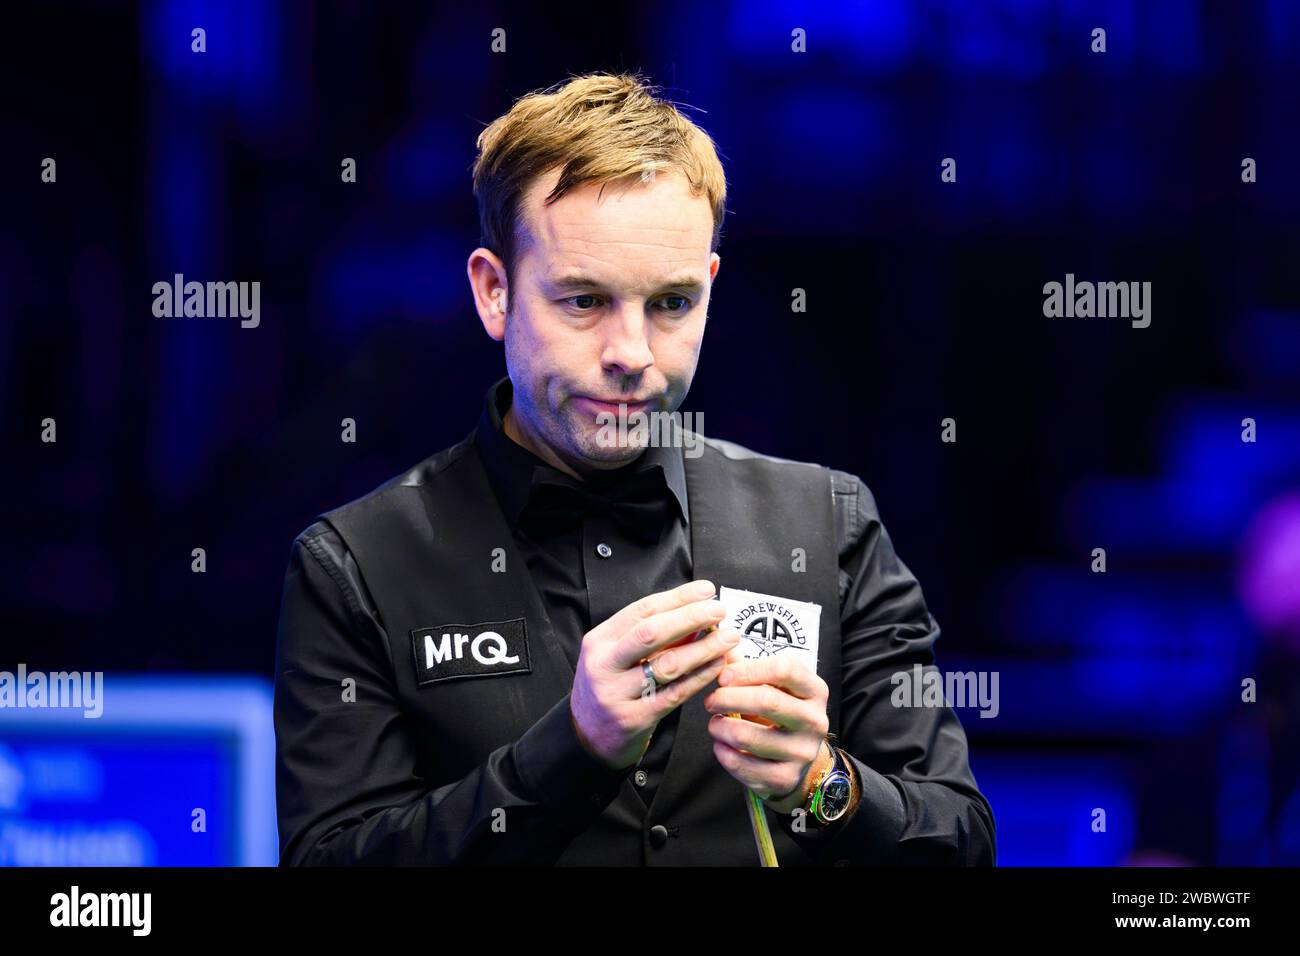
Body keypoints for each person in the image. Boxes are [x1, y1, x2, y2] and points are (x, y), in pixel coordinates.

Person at [273, 71, 995, 865]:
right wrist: (571, 747)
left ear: (709, 293)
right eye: (582, 301)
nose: (630, 353)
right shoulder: (355, 566)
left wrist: (824, 783)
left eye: (671, 303)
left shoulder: (830, 525)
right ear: (493, 293)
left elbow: (960, 844)